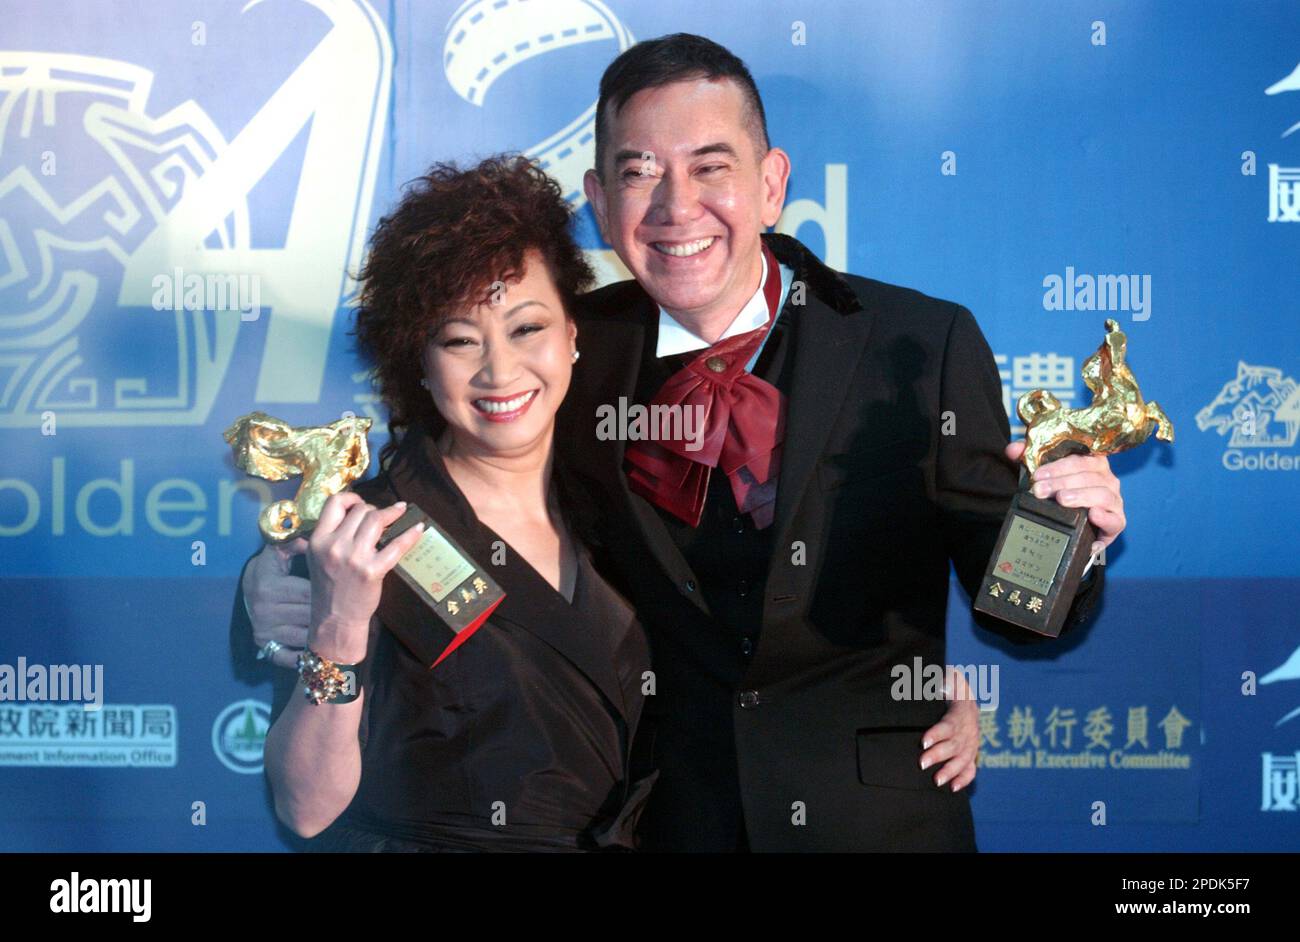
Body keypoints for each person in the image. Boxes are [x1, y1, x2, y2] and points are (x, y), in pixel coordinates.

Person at [236, 32, 1104, 852]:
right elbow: (423, 486)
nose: (676, 206)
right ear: (601, 201)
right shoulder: (563, 352)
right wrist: (274, 578)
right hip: (665, 826)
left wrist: (1072, 540)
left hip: (878, 823)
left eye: (709, 168)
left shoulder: (919, 344)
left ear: (771, 184)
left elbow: (1022, 615)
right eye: (640, 172)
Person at [257, 156, 660, 851]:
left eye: (527, 328)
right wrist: (340, 632)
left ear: (572, 335)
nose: (499, 370)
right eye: (460, 340)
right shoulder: (362, 534)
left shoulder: (621, 506)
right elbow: (306, 808)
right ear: (419, 360)